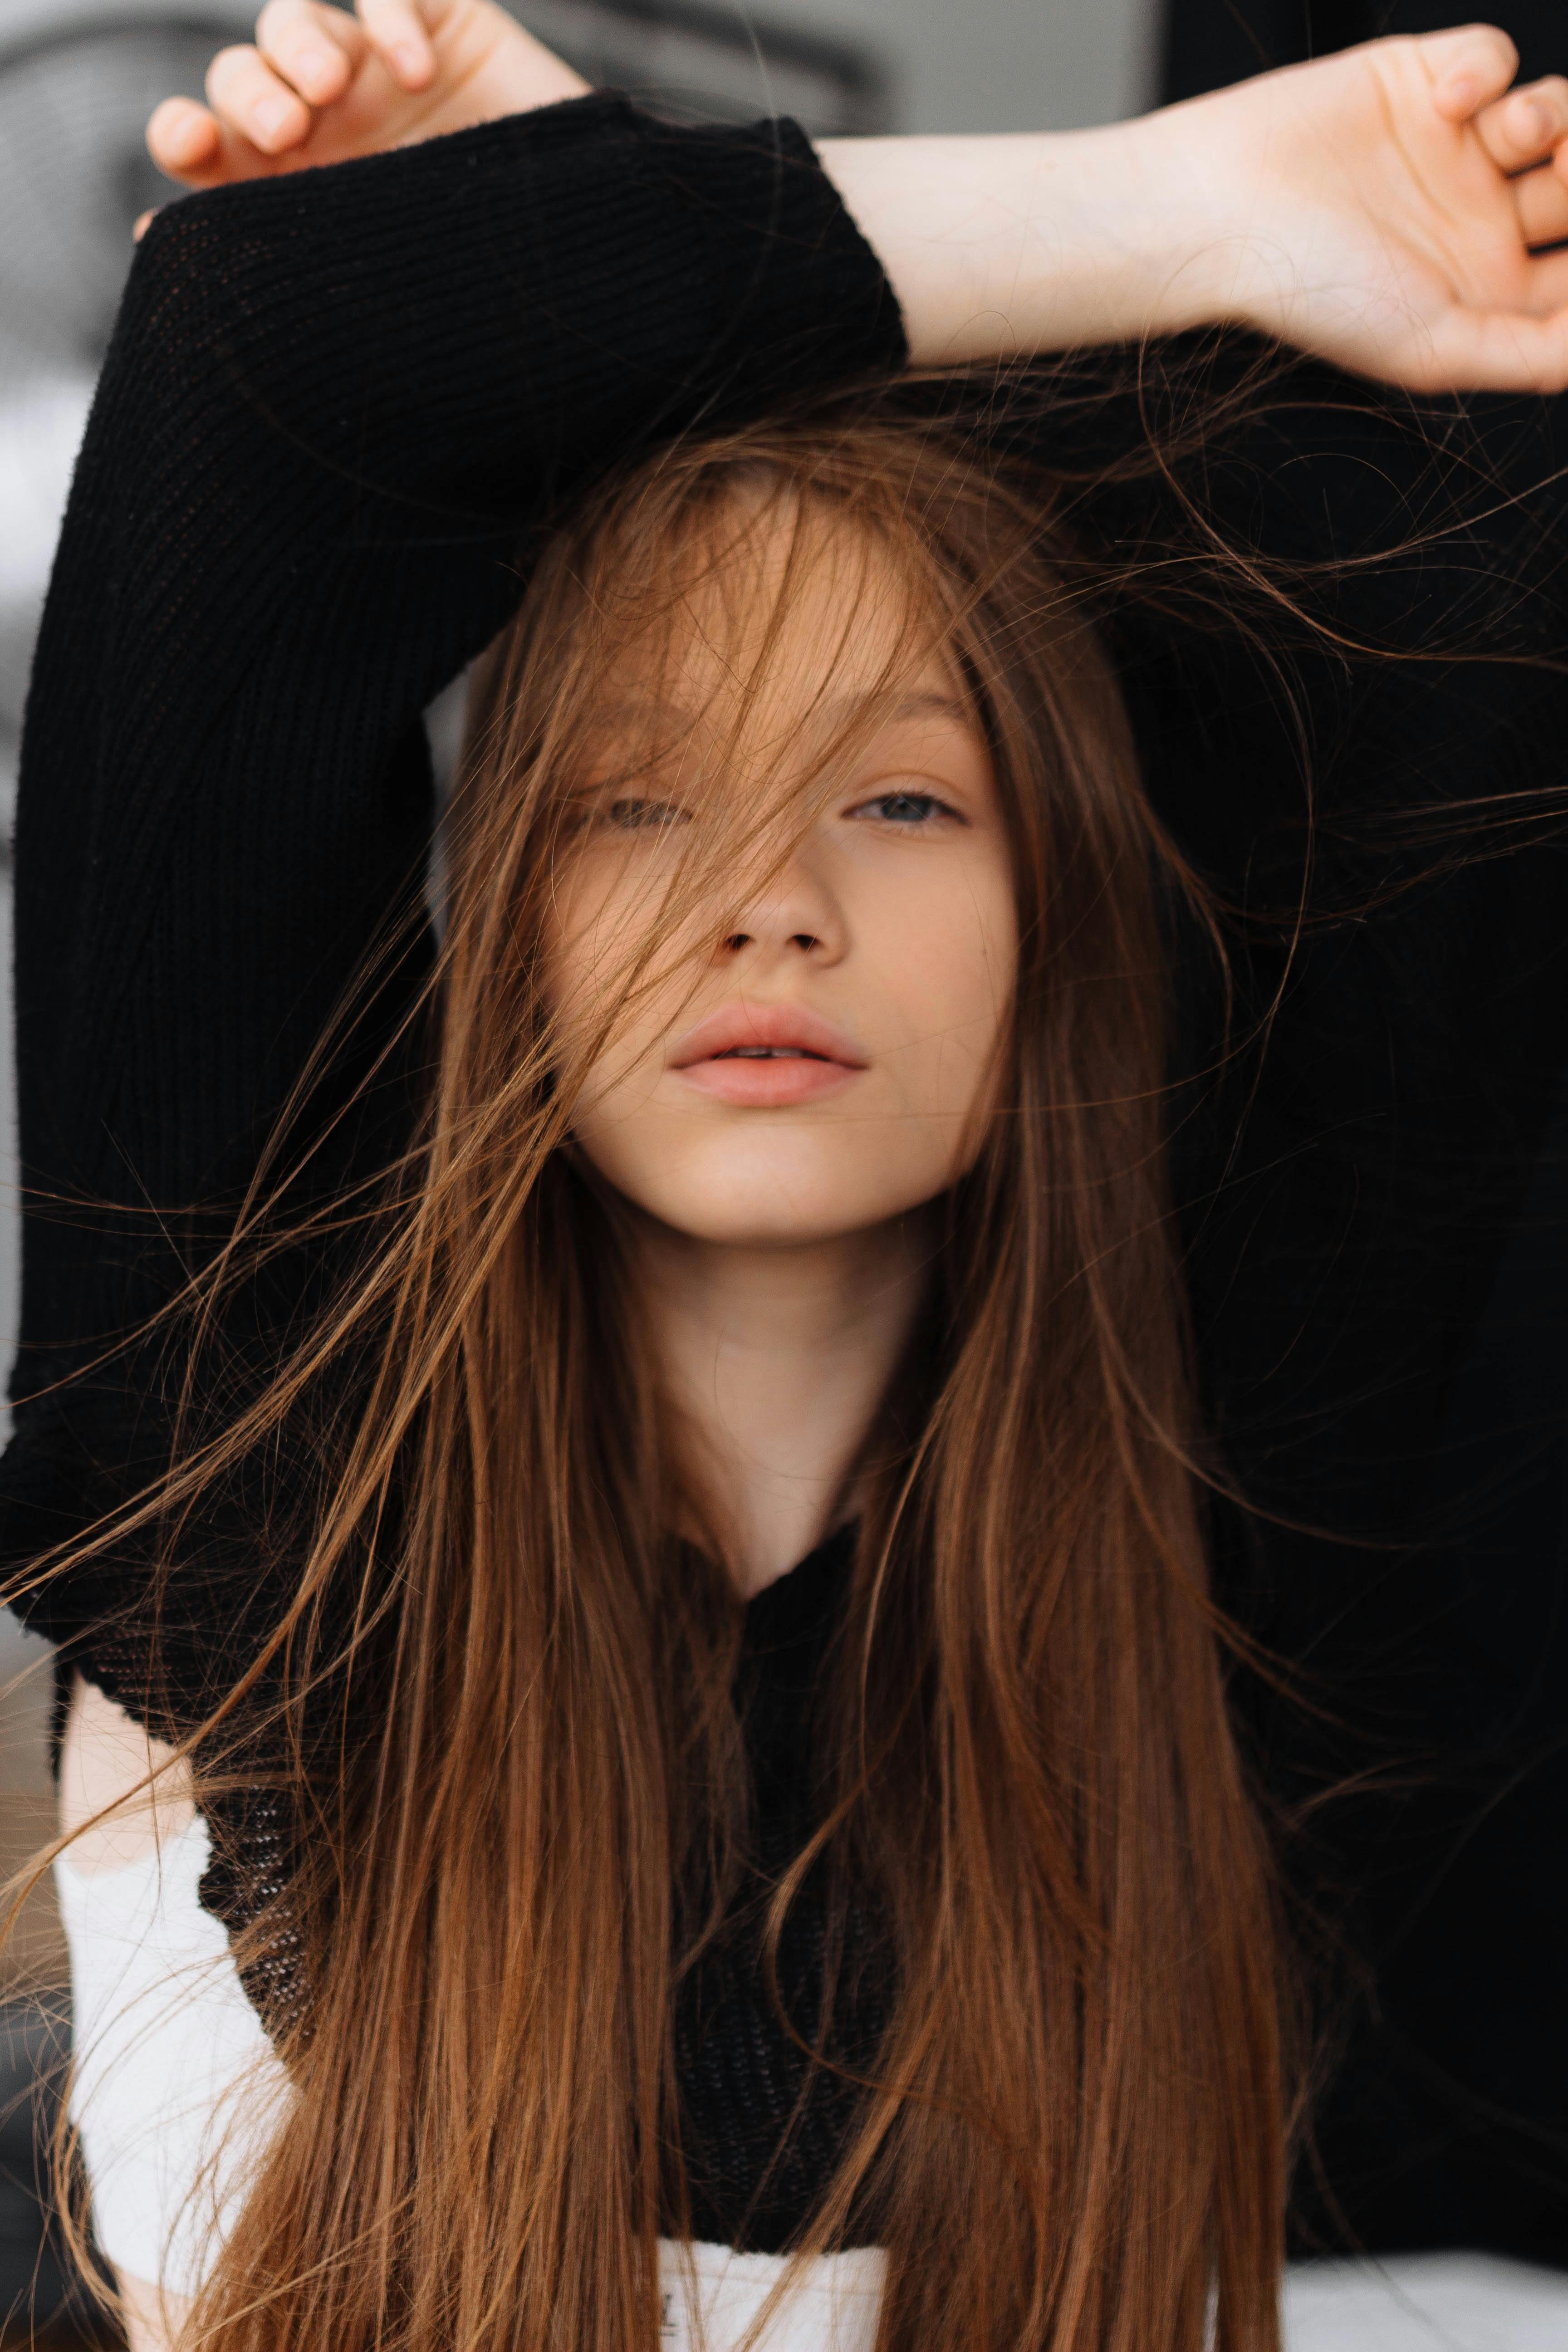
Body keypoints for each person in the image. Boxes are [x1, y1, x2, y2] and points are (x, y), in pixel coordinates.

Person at [9, 5, 1568, 2347]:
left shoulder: (1225, 1500)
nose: (771, 899)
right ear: (497, 924)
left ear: (1062, 916)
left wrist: (602, 236)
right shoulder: (266, 1478)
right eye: (636, 800)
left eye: (905, 798)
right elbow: (276, 361)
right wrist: (1164, 211)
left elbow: (1448, 371)